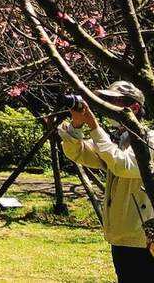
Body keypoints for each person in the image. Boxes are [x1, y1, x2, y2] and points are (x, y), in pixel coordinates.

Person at [58, 81, 154, 282]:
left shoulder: (149, 139)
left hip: (143, 238)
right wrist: (77, 125)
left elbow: (123, 165)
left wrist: (94, 126)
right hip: (120, 236)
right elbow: (77, 152)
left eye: (111, 101)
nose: (104, 106)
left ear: (134, 108)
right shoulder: (118, 139)